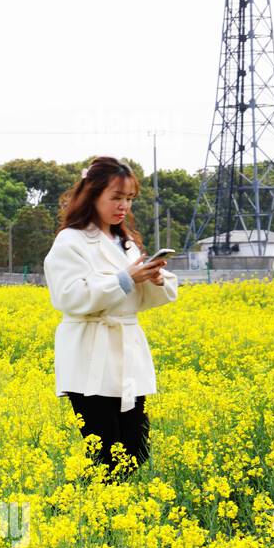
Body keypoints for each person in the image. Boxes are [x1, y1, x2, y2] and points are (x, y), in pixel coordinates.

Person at [42, 156, 179, 480]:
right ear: (93, 195)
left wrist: (154, 280)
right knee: (107, 455)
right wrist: (126, 279)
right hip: (90, 356)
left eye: (129, 199)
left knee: (136, 452)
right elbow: (68, 297)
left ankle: (95, 512)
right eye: (116, 198)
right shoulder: (70, 241)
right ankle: (73, 515)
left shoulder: (125, 242)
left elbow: (134, 299)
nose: (124, 206)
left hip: (126, 355)